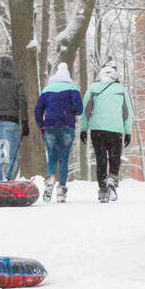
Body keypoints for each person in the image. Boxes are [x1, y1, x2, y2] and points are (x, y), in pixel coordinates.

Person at [80, 59, 132, 203]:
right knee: (115, 158)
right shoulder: (121, 89)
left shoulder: (93, 88)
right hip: (115, 130)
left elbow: (86, 111)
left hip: (97, 130)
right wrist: (128, 132)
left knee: (101, 159)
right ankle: (112, 178)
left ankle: (103, 190)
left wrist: (83, 129)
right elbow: (127, 113)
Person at [34, 61, 83, 202]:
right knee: (64, 158)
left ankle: (49, 180)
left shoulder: (47, 89)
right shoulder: (73, 88)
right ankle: (61, 190)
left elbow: (38, 110)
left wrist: (42, 125)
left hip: (50, 126)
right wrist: (70, 112)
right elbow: (79, 109)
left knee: (52, 157)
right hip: (67, 126)